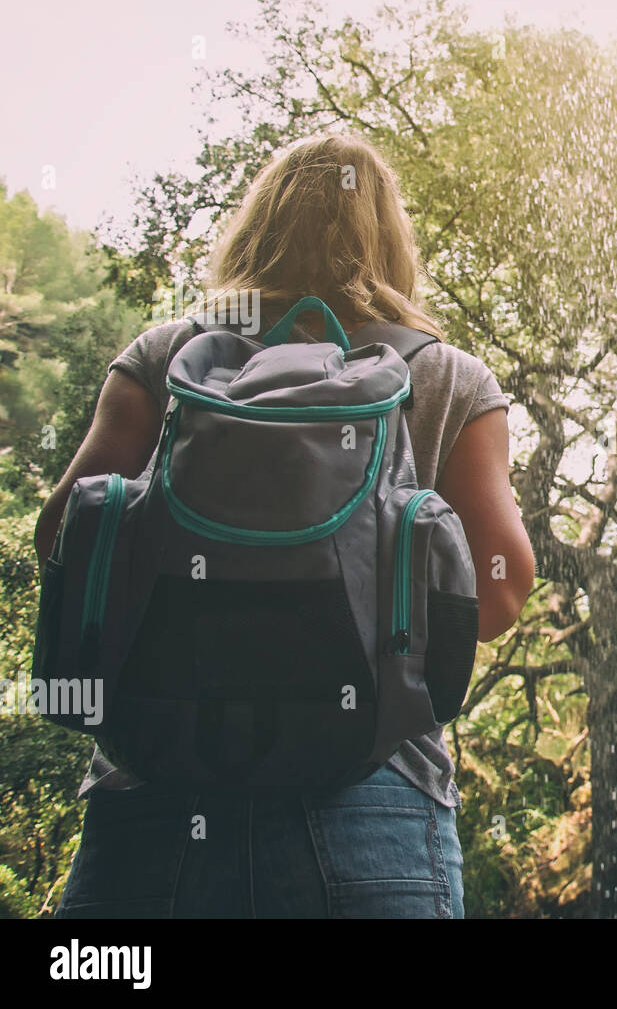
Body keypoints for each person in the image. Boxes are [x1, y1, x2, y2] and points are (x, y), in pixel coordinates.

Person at [32, 132, 535, 918]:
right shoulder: (443, 375)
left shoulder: (170, 353)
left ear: (255, 227)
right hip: (373, 799)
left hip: (152, 799)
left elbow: (62, 537)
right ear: (391, 240)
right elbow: (501, 595)